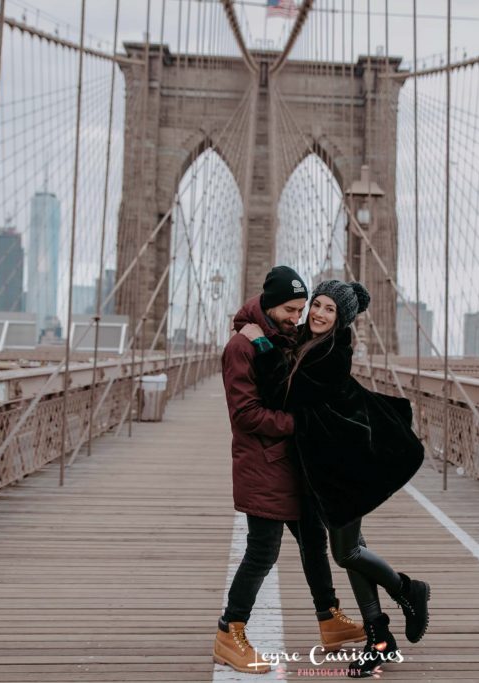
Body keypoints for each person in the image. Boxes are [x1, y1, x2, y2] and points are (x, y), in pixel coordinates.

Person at [240, 280, 429, 678]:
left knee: (347, 553)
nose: (321, 314)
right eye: (318, 305)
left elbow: (280, 393)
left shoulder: (332, 353)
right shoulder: (307, 342)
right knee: (353, 549)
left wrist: (260, 345)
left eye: (331, 310)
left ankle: (407, 590)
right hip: (326, 471)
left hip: (347, 469)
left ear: (343, 319)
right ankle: (379, 640)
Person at [213, 266, 365, 675]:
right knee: (263, 551)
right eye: (292, 309)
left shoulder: (280, 337)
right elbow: (246, 415)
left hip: (293, 465)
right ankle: (230, 631)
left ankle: (329, 619)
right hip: (263, 464)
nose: (298, 318)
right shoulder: (240, 348)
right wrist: (302, 423)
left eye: (303, 309)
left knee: (313, 539)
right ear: (269, 304)